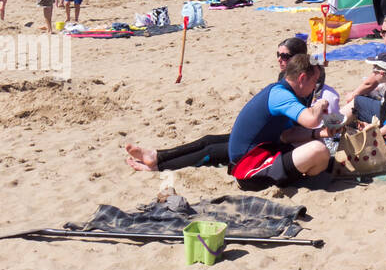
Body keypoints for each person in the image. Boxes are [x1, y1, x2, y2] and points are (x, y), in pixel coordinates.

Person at [125, 38, 310, 171]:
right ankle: (156, 155)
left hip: (272, 142)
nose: (280, 59)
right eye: (278, 54)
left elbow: (297, 123)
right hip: (265, 134)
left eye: (285, 56)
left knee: (211, 151)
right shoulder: (284, 78)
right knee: (209, 139)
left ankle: (158, 166)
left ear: (298, 59)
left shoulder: (303, 85)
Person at [227, 53, 331, 189]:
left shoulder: (281, 91)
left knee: (316, 143)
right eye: (314, 81)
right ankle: (306, 181)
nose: (315, 86)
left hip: (260, 156)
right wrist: (320, 104)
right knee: (319, 150)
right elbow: (311, 120)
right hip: (248, 169)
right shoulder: (280, 95)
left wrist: (319, 133)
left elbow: (287, 134)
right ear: (302, 78)